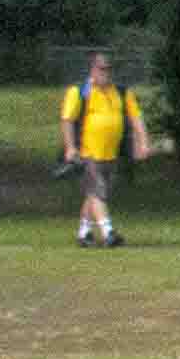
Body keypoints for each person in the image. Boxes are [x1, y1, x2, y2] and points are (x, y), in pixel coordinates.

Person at [56, 50, 156, 247]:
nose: (106, 73)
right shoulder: (80, 92)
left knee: (94, 194)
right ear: (92, 69)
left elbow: (136, 118)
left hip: (110, 153)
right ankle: (108, 232)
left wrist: (143, 142)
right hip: (87, 153)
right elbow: (67, 120)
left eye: (108, 69)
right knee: (97, 191)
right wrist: (70, 147)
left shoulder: (121, 92)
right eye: (102, 69)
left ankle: (84, 233)